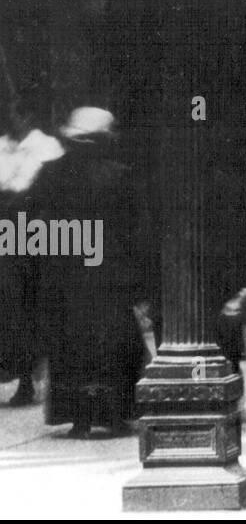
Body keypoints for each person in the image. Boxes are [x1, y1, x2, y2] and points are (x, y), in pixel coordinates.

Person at [33, 107, 149, 437]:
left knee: (70, 347)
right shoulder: (118, 176)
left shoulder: (50, 175)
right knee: (112, 346)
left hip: (65, 276)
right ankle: (111, 413)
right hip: (108, 277)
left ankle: (78, 416)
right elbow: (133, 232)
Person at [0, 101, 64, 406]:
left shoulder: (44, 149)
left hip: (36, 240)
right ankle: (22, 375)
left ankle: (30, 379)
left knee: (30, 309)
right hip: (7, 243)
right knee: (11, 310)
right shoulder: (4, 150)